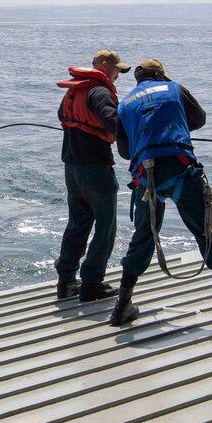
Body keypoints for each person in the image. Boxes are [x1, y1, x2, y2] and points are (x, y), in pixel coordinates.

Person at [110, 59, 212, 328]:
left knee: (143, 238)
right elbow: (199, 118)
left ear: (137, 80)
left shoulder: (125, 104)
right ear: (160, 74)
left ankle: (121, 305)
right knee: (211, 234)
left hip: (145, 178)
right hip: (180, 169)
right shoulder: (173, 88)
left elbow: (125, 152)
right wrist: (174, 126)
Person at [54, 49, 130, 302]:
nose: (118, 75)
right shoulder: (99, 91)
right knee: (105, 226)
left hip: (72, 166)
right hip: (95, 168)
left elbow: (61, 115)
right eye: (118, 70)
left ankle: (66, 281)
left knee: (78, 224)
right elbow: (113, 122)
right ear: (106, 67)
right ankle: (92, 283)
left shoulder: (75, 89)